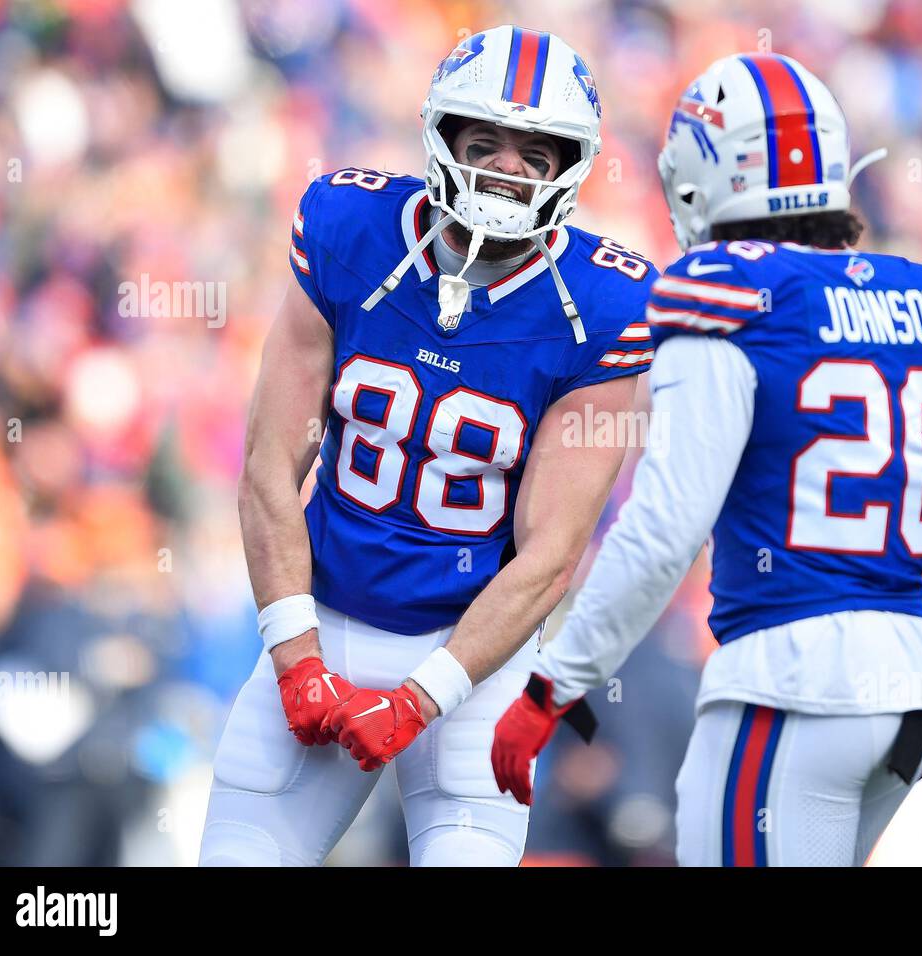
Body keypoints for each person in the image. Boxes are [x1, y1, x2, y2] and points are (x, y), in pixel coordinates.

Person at [490, 52, 922, 866]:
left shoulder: (723, 293)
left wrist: (554, 682)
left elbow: (665, 529)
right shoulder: (916, 298)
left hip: (787, 687)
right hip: (909, 697)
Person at [199, 25, 656, 867]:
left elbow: (549, 558)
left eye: (534, 154)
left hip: (472, 660)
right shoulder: (351, 226)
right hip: (320, 620)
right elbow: (270, 466)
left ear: (571, 169)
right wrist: (297, 660)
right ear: (441, 137)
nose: (506, 169)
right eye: (484, 142)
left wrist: (420, 698)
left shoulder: (605, 303)